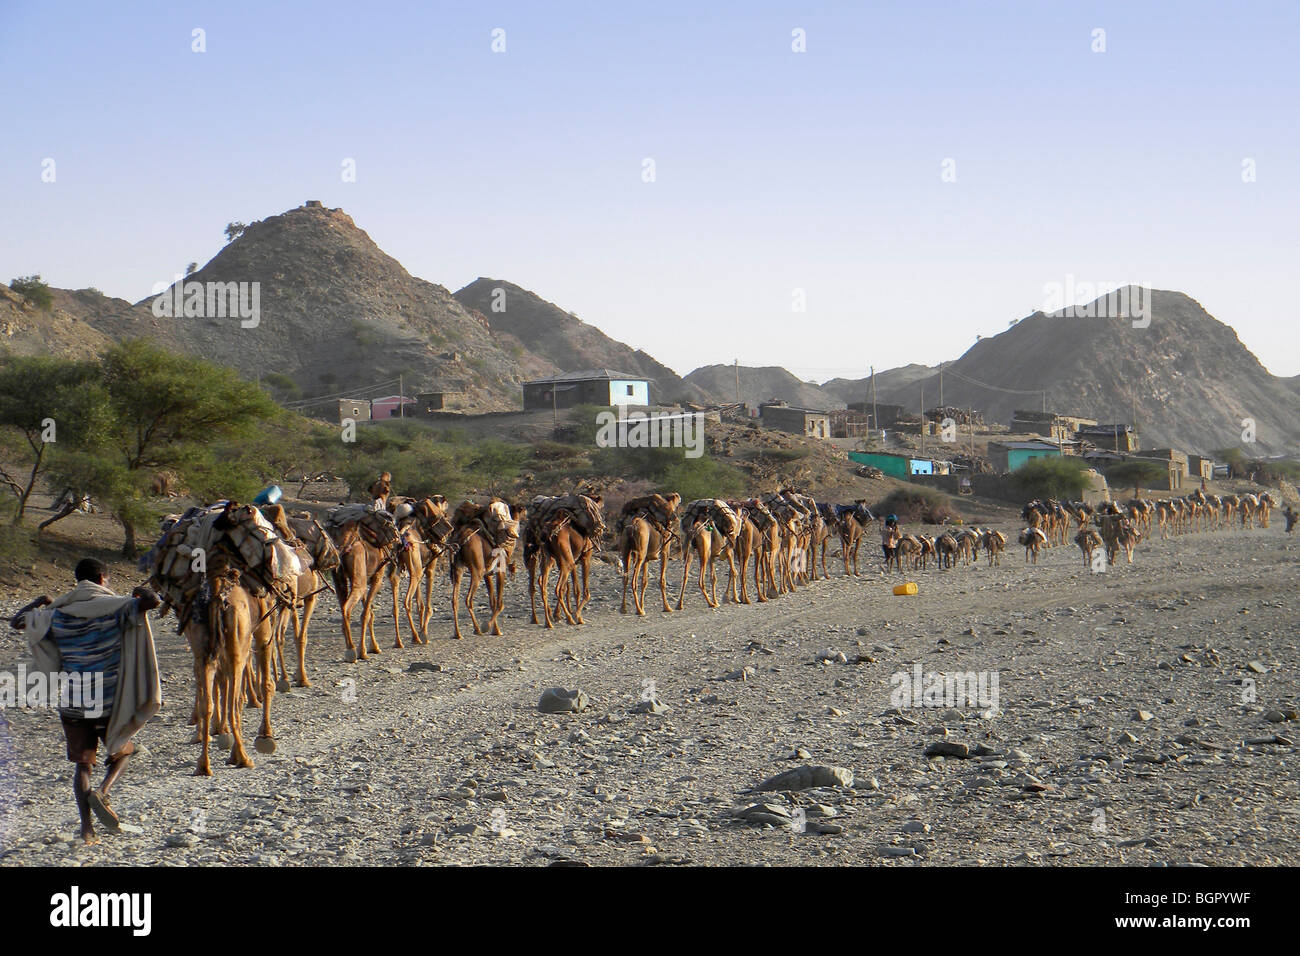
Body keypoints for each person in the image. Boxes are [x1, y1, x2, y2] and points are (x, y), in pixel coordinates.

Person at [10, 558, 162, 845]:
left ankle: (86, 830)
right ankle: (103, 791)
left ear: (77, 581)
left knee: (82, 765)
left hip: (74, 702)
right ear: (103, 578)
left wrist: (42, 600)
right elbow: (153, 602)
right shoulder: (116, 607)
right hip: (110, 702)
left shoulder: (56, 615)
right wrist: (139, 592)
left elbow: (17, 621)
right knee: (124, 750)